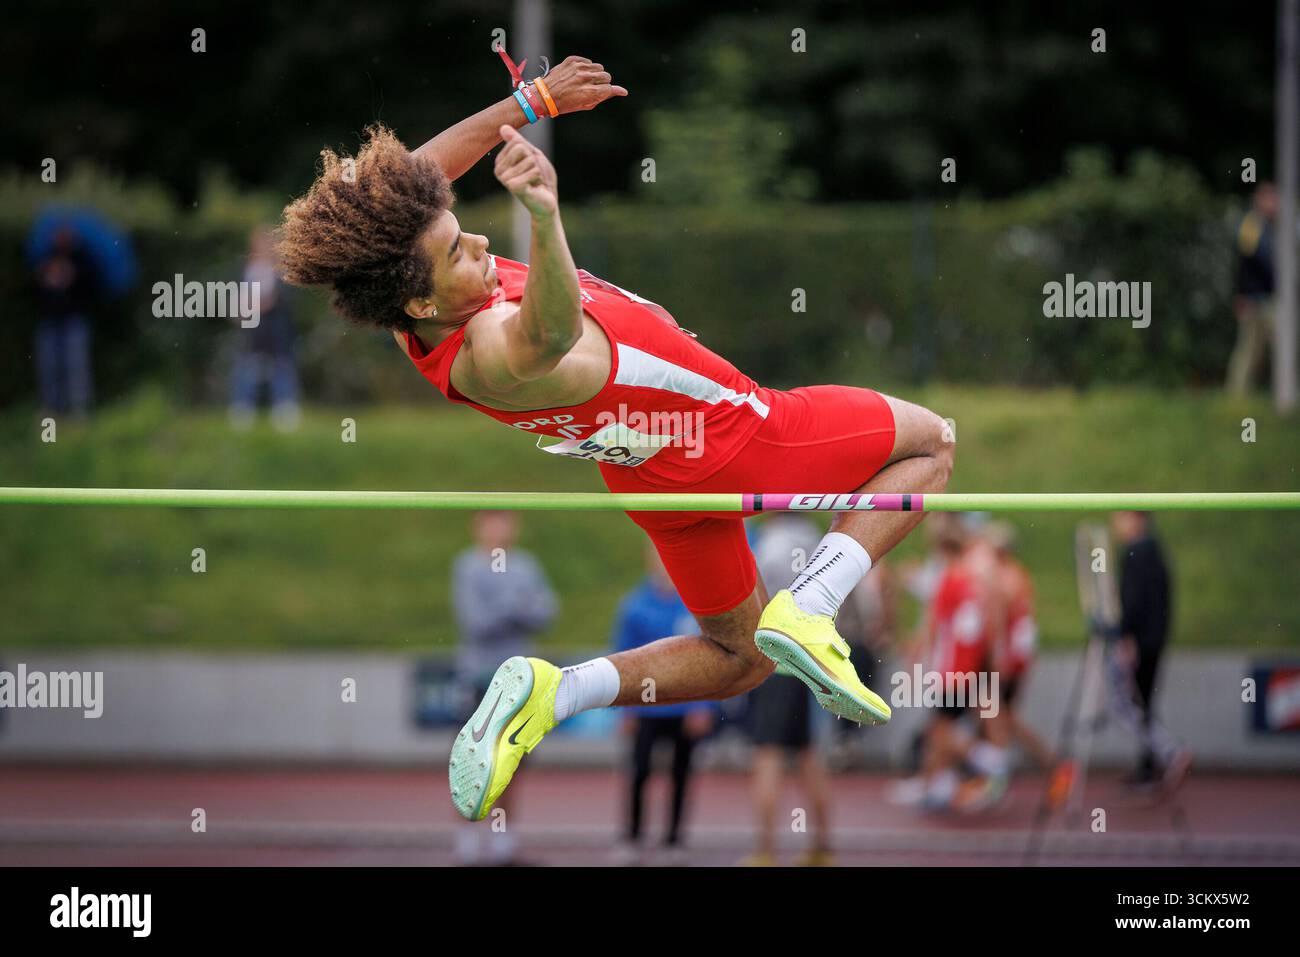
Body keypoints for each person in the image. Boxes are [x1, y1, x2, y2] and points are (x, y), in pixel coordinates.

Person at [277, 53, 955, 823]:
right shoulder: (489, 348)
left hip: (652, 478)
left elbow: (420, 178)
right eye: (458, 250)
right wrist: (543, 213)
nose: (475, 246)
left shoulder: (412, 297)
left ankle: (554, 690)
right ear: (423, 293)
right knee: (931, 445)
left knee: (742, 658)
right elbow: (553, 328)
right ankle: (817, 600)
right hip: (734, 436)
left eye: (464, 231)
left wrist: (529, 100)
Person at [450, 510, 557, 863]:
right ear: (478, 527)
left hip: (518, 682)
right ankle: (466, 840)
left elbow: (546, 612)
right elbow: (475, 622)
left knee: (512, 762)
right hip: (479, 677)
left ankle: (502, 841)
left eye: (505, 521)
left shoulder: (527, 566)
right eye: (492, 522)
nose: (500, 529)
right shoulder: (467, 566)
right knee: (471, 760)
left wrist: (513, 612)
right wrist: (515, 607)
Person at [610, 544, 714, 865]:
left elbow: (710, 661)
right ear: (649, 561)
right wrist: (625, 708)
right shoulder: (634, 605)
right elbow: (622, 660)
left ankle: (673, 839)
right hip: (645, 706)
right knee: (639, 772)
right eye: (658, 559)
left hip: (684, 705)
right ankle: (633, 836)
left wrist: (703, 706)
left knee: (681, 774)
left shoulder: (696, 606)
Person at [742, 514, 837, 866]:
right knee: (808, 754)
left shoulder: (768, 545)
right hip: (809, 660)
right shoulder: (820, 539)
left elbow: (751, 601)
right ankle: (822, 846)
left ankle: (765, 850)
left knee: (768, 755)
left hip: (775, 662)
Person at [1108, 510, 1190, 792]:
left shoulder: (1137, 553)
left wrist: (1126, 635)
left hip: (1141, 641)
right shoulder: (1154, 551)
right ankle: (1151, 764)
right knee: (1142, 702)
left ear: (1137, 519)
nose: (1115, 524)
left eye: (1121, 517)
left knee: (1134, 703)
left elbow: (1133, 600)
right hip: (1152, 639)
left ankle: (1167, 754)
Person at [229, 227, 301, 432]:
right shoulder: (244, 269)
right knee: (246, 369)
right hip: (251, 332)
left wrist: (256, 305)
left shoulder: (281, 271)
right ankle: (242, 410)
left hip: (276, 331)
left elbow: (282, 298)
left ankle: (285, 410)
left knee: (281, 369)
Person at [33, 226, 102, 418]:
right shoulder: (45, 258)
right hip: (49, 320)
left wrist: (74, 277)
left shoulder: (83, 259)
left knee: (76, 367)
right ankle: (52, 413)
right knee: (49, 368)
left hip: (73, 320)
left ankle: (78, 412)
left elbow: (92, 289)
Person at [1226, 182, 1277, 395]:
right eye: (1270, 198)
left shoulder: (1277, 225)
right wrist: (1241, 294)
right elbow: (1247, 261)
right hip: (1254, 297)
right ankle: (1237, 394)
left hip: (1273, 297)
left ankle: (1285, 393)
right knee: (1248, 350)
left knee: (1281, 348)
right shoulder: (1251, 225)